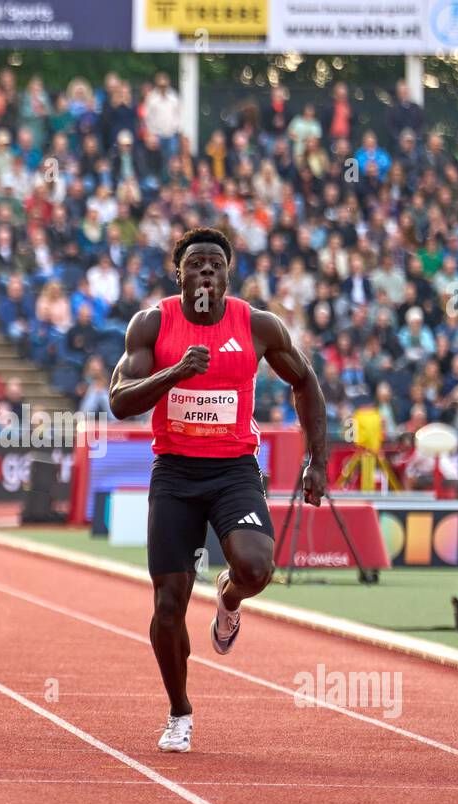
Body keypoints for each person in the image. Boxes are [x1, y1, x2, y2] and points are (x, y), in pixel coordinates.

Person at [108, 228, 328, 753]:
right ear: (177, 272)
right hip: (176, 474)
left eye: (215, 264)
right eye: (195, 264)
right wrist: (175, 372)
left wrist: (318, 459)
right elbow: (119, 400)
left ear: (229, 274)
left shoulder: (256, 326)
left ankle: (229, 597)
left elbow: (305, 382)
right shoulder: (153, 323)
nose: (206, 272)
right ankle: (179, 712)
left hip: (233, 471)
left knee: (257, 568)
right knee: (167, 607)